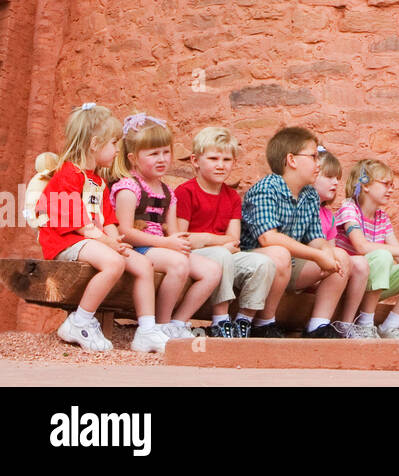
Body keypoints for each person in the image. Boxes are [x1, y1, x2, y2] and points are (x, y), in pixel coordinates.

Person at [32, 104, 168, 353]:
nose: (117, 150)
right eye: (114, 143)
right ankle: (80, 322)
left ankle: (147, 330)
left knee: (142, 264)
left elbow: (108, 222)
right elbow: (83, 227)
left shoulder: (98, 182)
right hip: (66, 241)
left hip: (95, 242)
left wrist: (119, 243)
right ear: (95, 144)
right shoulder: (68, 175)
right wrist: (111, 246)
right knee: (114, 263)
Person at [109, 113, 221, 340]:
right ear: (133, 158)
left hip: (160, 246)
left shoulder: (168, 192)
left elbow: (172, 231)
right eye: (153, 154)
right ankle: (160, 324)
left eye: (166, 152)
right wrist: (167, 243)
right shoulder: (129, 188)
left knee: (212, 270)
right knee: (178, 264)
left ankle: (177, 323)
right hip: (137, 248)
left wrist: (181, 242)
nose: (162, 159)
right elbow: (125, 232)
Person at [174, 127, 282, 338]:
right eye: (213, 158)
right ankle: (220, 319)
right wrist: (215, 241)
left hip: (224, 254)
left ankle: (244, 320)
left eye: (226, 159)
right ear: (195, 161)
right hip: (195, 256)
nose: (220, 165)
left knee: (264, 263)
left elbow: (234, 240)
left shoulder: (232, 197)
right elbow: (182, 238)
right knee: (222, 253)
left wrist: (205, 239)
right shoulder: (186, 192)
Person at [240, 126, 347, 338]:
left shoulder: (310, 194)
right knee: (279, 253)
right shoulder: (267, 188)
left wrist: (326, 252)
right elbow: (268, 237)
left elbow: (316, 238)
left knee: (341, 256)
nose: (318, 163)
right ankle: (264, 323)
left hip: (288, 265)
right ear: (292, 160)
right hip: (258, 264)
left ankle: (318, 325)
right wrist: (317, 256)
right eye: (313, 157)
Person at [334, 158, 399, 340]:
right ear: (365, 186)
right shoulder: (349, 208)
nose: (391, 189)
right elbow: (361, 246)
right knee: (382, 256)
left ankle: (391, 325)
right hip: (347, 284)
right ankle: (365, 324)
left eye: (392, 185)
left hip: (370, 283)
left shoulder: (382, 217)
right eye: (385, 184)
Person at [314, 149, 373, 338]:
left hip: (324, 270)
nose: (335, 182)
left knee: (359, 263)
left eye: (337, 178)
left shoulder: (328, 215)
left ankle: (345, 326)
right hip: (307, 266)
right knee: (340, 256)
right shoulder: (303, 208)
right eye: (329, 177)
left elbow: (331, 249)